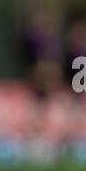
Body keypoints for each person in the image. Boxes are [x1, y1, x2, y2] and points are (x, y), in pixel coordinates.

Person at [20, 11, 61, 139]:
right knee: (37, 102)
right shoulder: (33, 39)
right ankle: (36, 130)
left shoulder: (50, 40)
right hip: (39, 70)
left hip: (43, 70)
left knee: (43, 102)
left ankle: (42, 130)